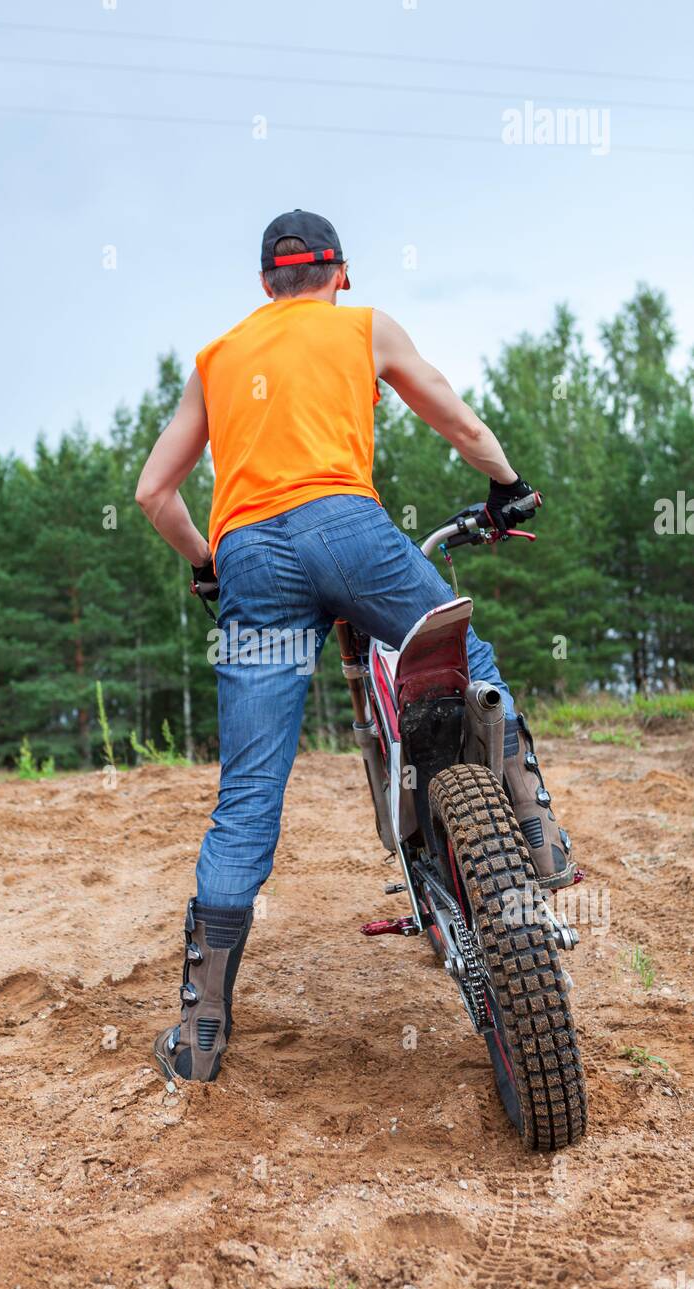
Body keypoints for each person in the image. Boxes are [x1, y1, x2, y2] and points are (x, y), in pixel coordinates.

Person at [135, 209, 576, 1084]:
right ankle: (536, 824)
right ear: (340, 274)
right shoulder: (363, 328)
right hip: (352, 533)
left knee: (250, 789)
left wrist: (210, 565)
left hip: (253, 555)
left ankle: (201, 1032)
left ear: (265, 284)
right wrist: (507, 486)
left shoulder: (218, 360)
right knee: (460, 653)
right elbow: (454, 416)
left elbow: (155, 491)